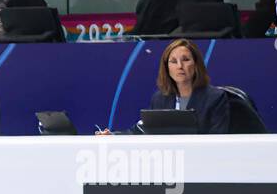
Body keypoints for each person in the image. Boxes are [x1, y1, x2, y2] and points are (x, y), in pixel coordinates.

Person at [95, 39, 229, 135]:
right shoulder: (160, 98)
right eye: (173, 61)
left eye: (186, 60)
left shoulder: (215, 98)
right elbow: (141, 129)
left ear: (196, 64)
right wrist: (112, 136)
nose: (180, 66)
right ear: (167, 68)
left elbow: (219, 139)